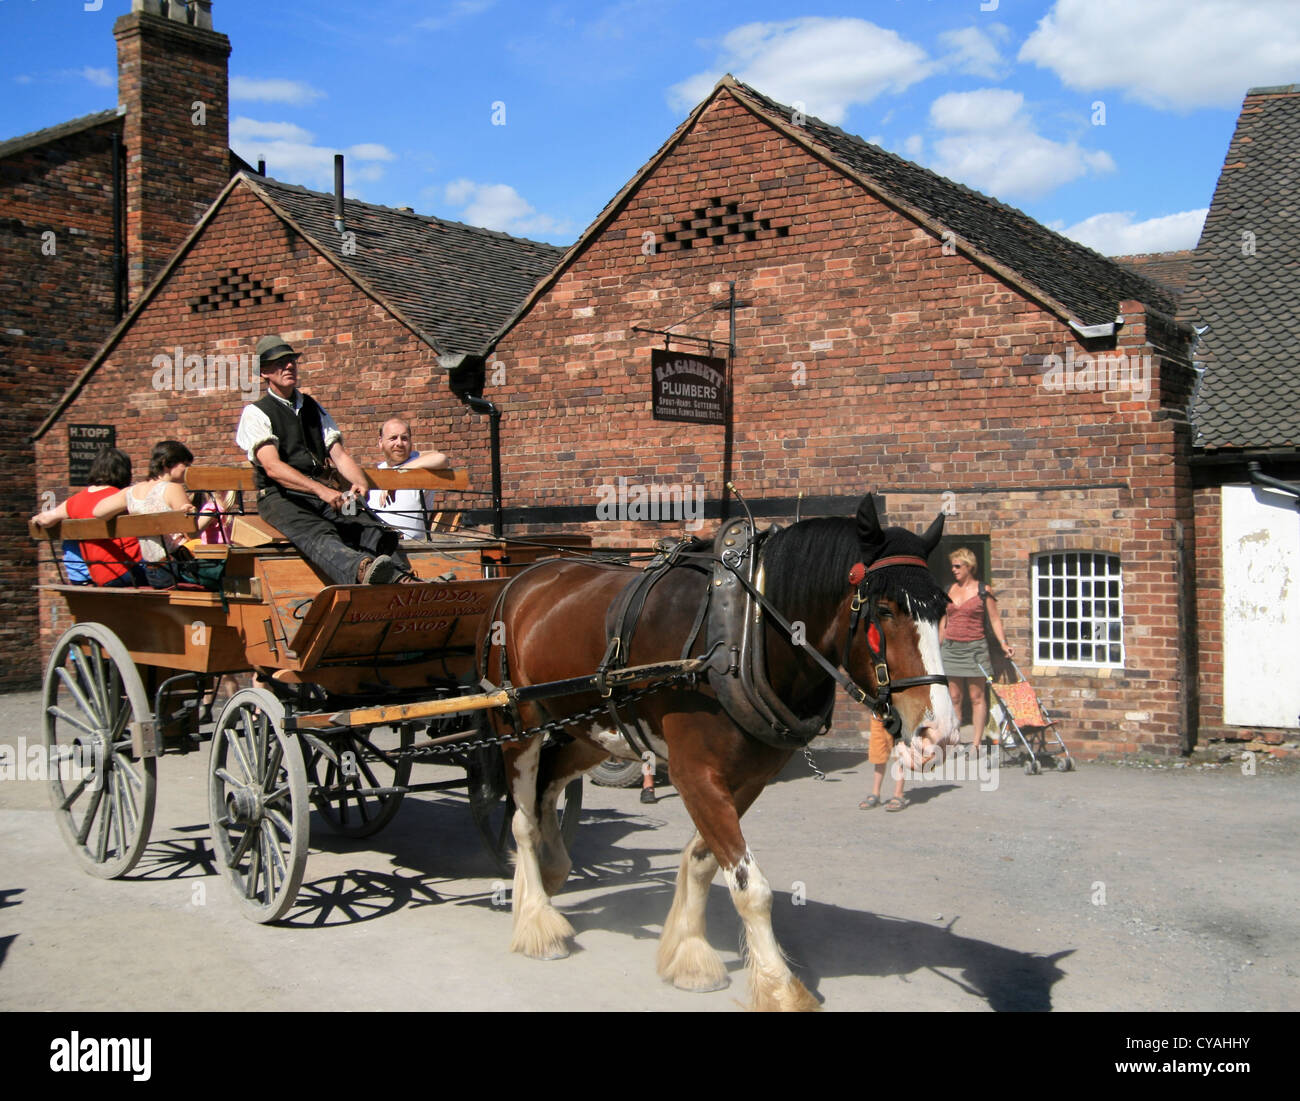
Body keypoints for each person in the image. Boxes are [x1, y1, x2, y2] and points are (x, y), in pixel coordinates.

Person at [234, 334, 415, 585]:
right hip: (280, 497)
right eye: (280, 363)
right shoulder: (256, 413)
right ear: (264, 372)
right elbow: (273, 468)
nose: (289, 366)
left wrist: (359, 484)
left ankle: (403, 579)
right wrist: (322, 491)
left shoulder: (312, 407)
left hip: (321, 492)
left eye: (291, 360)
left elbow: (338, 454)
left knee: (367, 524)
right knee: (319, 532)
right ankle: (362, 571)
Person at [30, 446, 145, 587]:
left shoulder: (75, 500)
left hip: (101, 576)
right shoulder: (120, 498)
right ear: (124, 472)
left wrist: (37, 519)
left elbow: (47, 519)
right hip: (130, 570)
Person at [938, 547, 1013, 755]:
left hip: (975, 649)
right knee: (954, 698)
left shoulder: (983, 590)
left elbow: (995, 619)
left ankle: (976, 744)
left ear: (969, 566)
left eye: (957, 566)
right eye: (952, 566)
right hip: (951, 649)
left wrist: (1003, 643)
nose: (953, 569)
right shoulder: (949, 589)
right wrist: (938, 646)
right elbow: (944, 620)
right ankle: (954, 742)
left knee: (976, 697)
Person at [92, 440, 195, 589]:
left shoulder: (131, 492)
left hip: (152, 571)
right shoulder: (173, 488)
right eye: (185, 464)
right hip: (176, 568)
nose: (188, 469)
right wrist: (214, 510)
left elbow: (98, 512)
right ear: (166, 463)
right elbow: (192, 532)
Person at [366, 416, 450, 540]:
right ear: (380, 442)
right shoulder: (377, 472)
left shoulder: (419, 465)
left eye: (404, 438)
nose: (399, 443)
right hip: (377, 545)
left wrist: (398, 473)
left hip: (412, 547)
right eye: (393, 438)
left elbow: (442, 459)